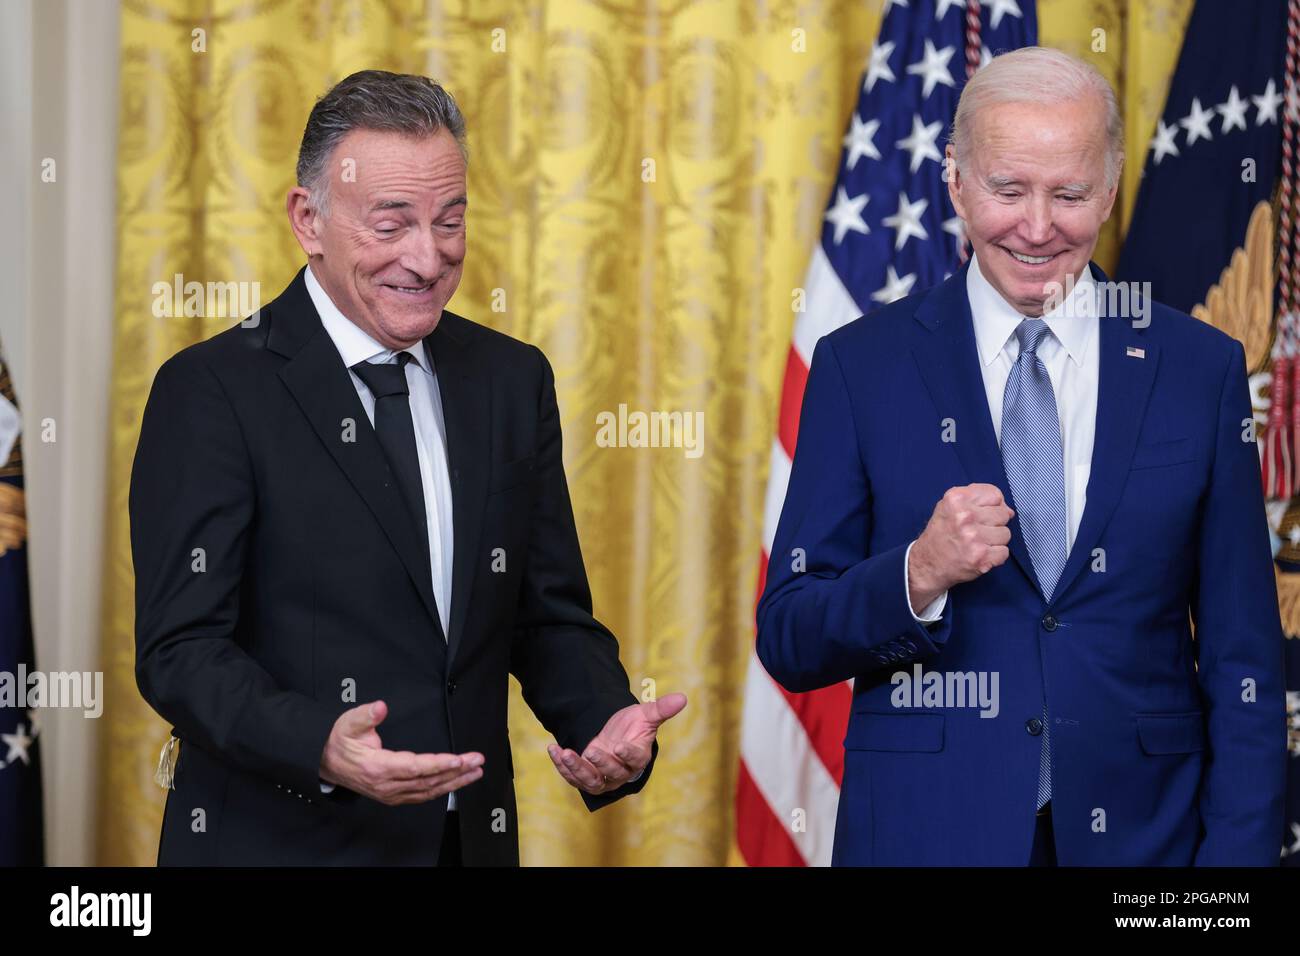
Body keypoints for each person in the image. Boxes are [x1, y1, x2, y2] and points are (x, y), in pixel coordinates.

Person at [131, 70, 685, 866]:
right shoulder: (213, 390)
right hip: (278, 845)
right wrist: (321, 744)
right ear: (308, 219)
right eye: (392, 225)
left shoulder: (509, 379)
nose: (428, 258)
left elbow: (544, 612)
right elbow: (180, 650)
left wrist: (602, 722)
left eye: (450, 221)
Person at [757, 46, 1285, 866]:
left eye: (1069, 194)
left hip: (1146, 848)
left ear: (1110, 190)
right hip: (926, 838)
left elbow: (1243, 662)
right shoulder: (860, 367)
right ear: (955, 181)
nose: (1037, 228)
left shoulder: (1199, 370)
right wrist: (917, 574)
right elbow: (790, 636)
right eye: (1008, 191)